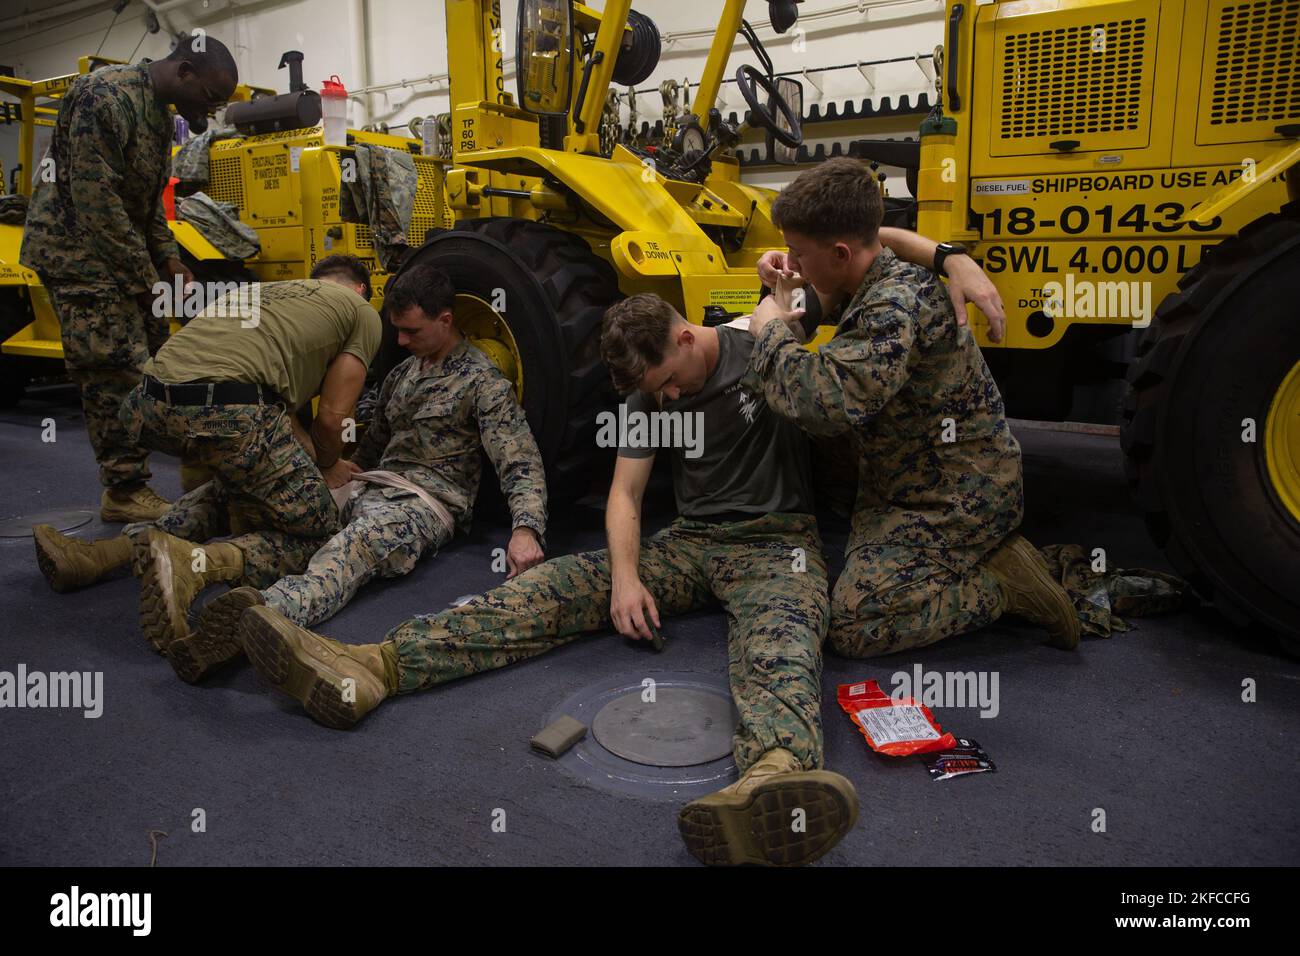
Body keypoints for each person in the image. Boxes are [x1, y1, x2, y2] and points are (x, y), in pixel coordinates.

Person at [746, 157, 1079, 658]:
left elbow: (820, 403)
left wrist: (767, 327)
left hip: (953, 497)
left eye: (798, 252)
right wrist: (787, 287)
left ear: (840, 252)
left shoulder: (893, 305)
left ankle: (1001, 585)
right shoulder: (870, 272)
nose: (792, 262)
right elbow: (838, 282)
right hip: (908, 466)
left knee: (856, 627)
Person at [163, 264, 548, 683]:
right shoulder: (402, 375)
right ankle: (152, 546)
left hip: (424, 504)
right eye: (396, 330)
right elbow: (370, 447)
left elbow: (519, 460)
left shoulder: (482, 383)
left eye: (411, 332)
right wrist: (332, 479)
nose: (399, 341)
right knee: (267, 504)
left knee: (352, 547)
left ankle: (257, 616)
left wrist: (526, 528)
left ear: (446, 320)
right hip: (372, 485)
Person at [32, 255, 382, 657]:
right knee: (317, 530)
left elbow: (279, 413)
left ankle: (95, 556)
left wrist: (300, 462)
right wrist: (328, 464)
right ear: (359, 290)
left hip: (148, 405)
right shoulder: (360, 312)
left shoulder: (265, 293)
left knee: (247, 477)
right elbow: (332, 418)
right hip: (224, 411)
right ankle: (191, 564)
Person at [19, 33, 239, 522]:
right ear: (183, 72)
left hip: (122, 258)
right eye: (209, 97)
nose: (212, 111)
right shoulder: (104, 95)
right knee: (114, 370)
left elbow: (148, 200)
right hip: (79, 257)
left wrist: (168, 259)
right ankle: (123, 490)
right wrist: (144, 278)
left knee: (157, 361)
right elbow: (97, 203)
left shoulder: (160, 115)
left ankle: (179, 471)